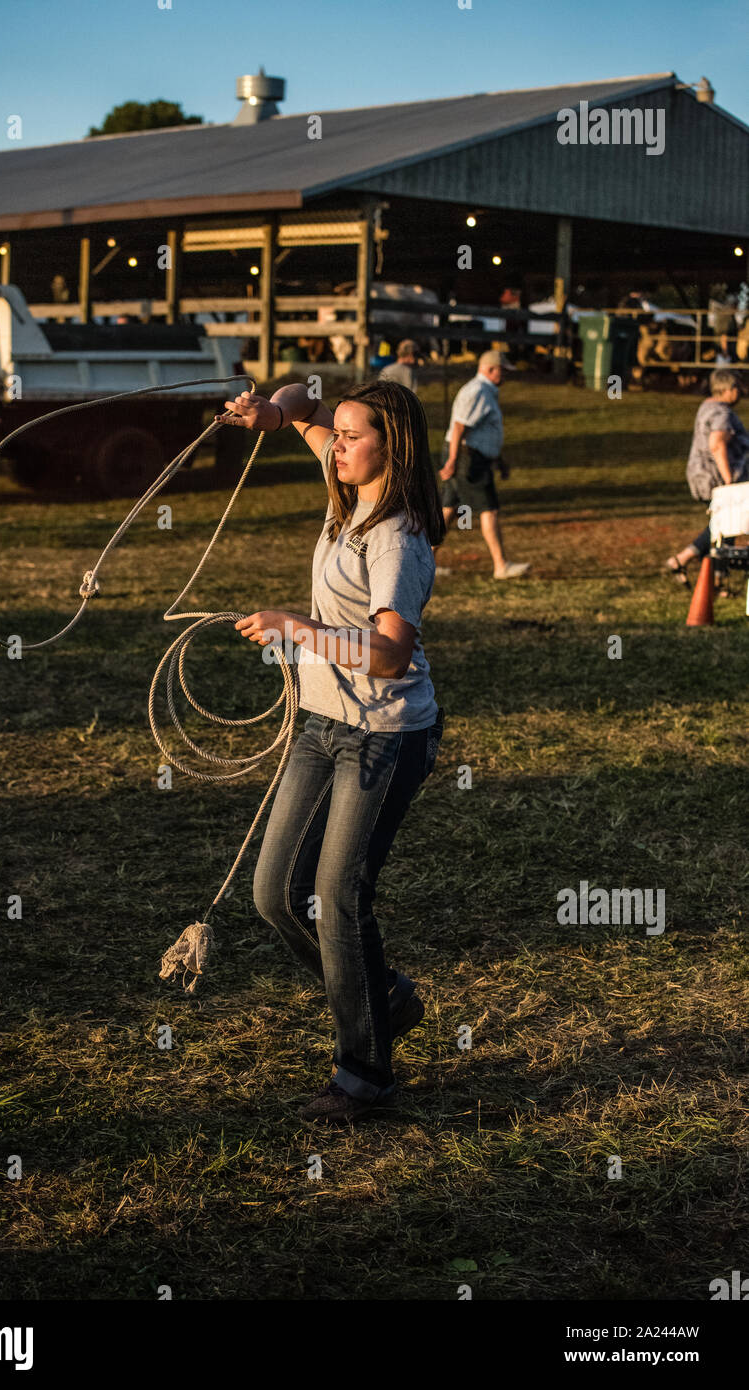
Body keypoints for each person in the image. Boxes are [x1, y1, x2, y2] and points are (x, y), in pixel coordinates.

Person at [219, 379, 445, 1123]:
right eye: (337, 433)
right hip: (320, 725)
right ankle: (382, 999)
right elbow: (303, 401)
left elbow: (387, 657)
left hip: (382, 736)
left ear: (392, 446)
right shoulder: (345, 489)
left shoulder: (397, 536)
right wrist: (275, 414)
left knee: (339, 900)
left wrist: (296, 628)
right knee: (275, 893)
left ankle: (364, 1073)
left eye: (352, 436)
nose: (335, 445)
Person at [434, 349, 531, 579]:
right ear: (489, 369)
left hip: (469, 456)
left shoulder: (485, 391)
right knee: (489, 509)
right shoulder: (478, 391)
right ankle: (500, 565)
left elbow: (483, 431)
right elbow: (459, 427)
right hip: (469, 459)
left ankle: (424, 563)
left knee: (449, 509)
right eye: (502, 371)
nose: (505, 376)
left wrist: (499, 460)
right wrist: (452, 462)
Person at [665, 369, 749, 587]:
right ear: (728, 389)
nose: (741, 393)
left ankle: (718, 580)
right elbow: (717, 444)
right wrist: (729, 480)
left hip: (703, 476)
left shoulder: (707, 406)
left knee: (723, 527)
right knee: (724, 526)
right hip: (717, 479)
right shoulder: (721, 412)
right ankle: (683, 559)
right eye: (738, 388)